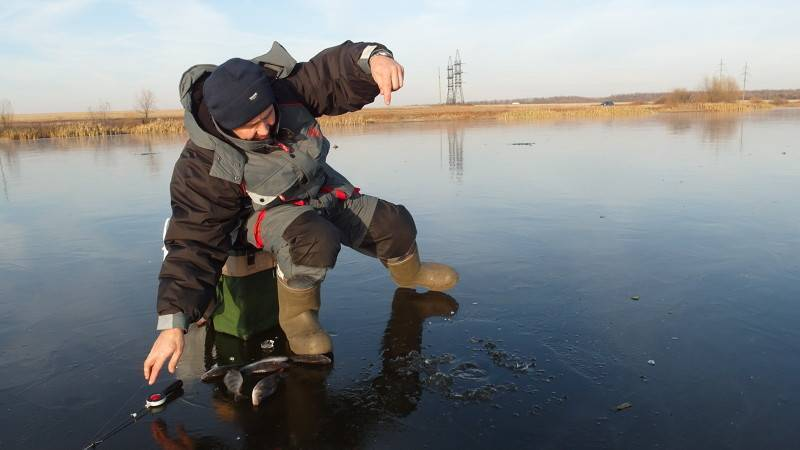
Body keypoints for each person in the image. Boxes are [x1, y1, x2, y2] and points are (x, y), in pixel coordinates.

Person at [143, 40, 459, 385]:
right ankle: (299, 320)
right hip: (267, 214)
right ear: (223, 124)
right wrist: (173, 323)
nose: (265, 130)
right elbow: (192, 241)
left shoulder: (284, 89)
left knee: (394, 223)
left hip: (318, 189)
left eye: (267, 116)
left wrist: (374, 60)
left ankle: (409, 274)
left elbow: (332, 73)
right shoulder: (202, 166)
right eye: (251, 126)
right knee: (314, 240)